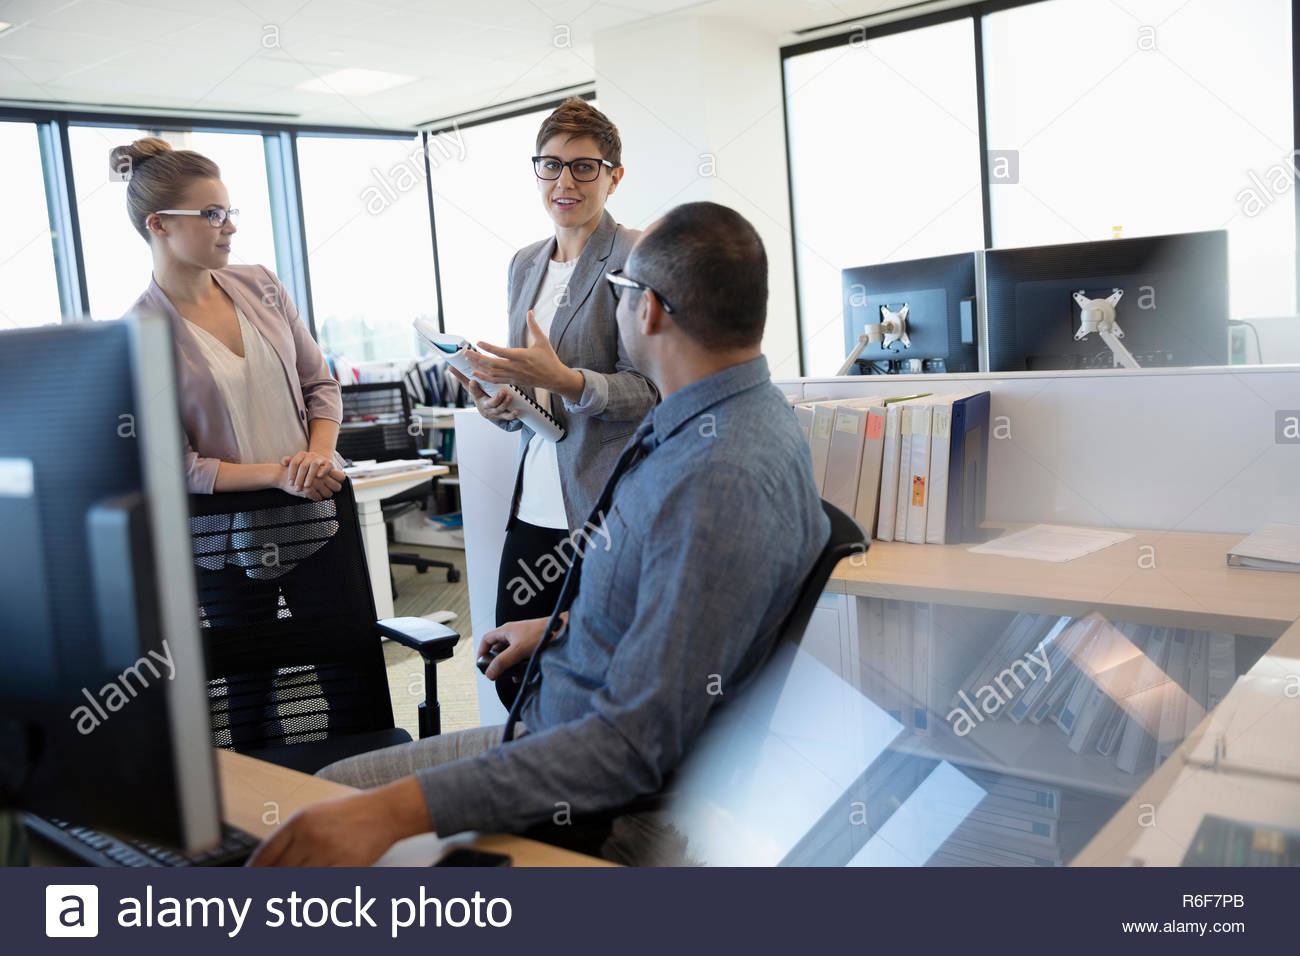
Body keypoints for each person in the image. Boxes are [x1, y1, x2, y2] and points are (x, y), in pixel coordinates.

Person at [249, 201, 831, 867]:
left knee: (328, 807)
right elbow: (688, 622)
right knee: (319, 799)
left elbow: (631, 748)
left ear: (650, 311)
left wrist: (394, 813)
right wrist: (560, 629)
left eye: (620, 292)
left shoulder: (716, 474)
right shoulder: (734, 418)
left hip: (602, 799)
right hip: (565, 729)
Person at [452, 100, 657, 688]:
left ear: (614, 176)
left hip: (604, 505)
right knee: (511, 670)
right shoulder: (524, 264)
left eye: (584, 167)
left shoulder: (637, 256)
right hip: (534, 506)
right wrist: (498, 402)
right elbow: (529, 396)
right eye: (551, 165)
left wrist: (565, 380)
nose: (564, 181)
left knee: (600, 677)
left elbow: (654, 391)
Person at [118, 137, 345, 501]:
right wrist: (279, 476)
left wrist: (317, 458)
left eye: (228, 212)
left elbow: (320, 385)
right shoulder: (135, 335)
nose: (230, 227)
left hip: (320, 507)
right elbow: (175, 464)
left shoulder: (262, 285)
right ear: (158, 225)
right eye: (212, 214)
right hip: (229, 537)